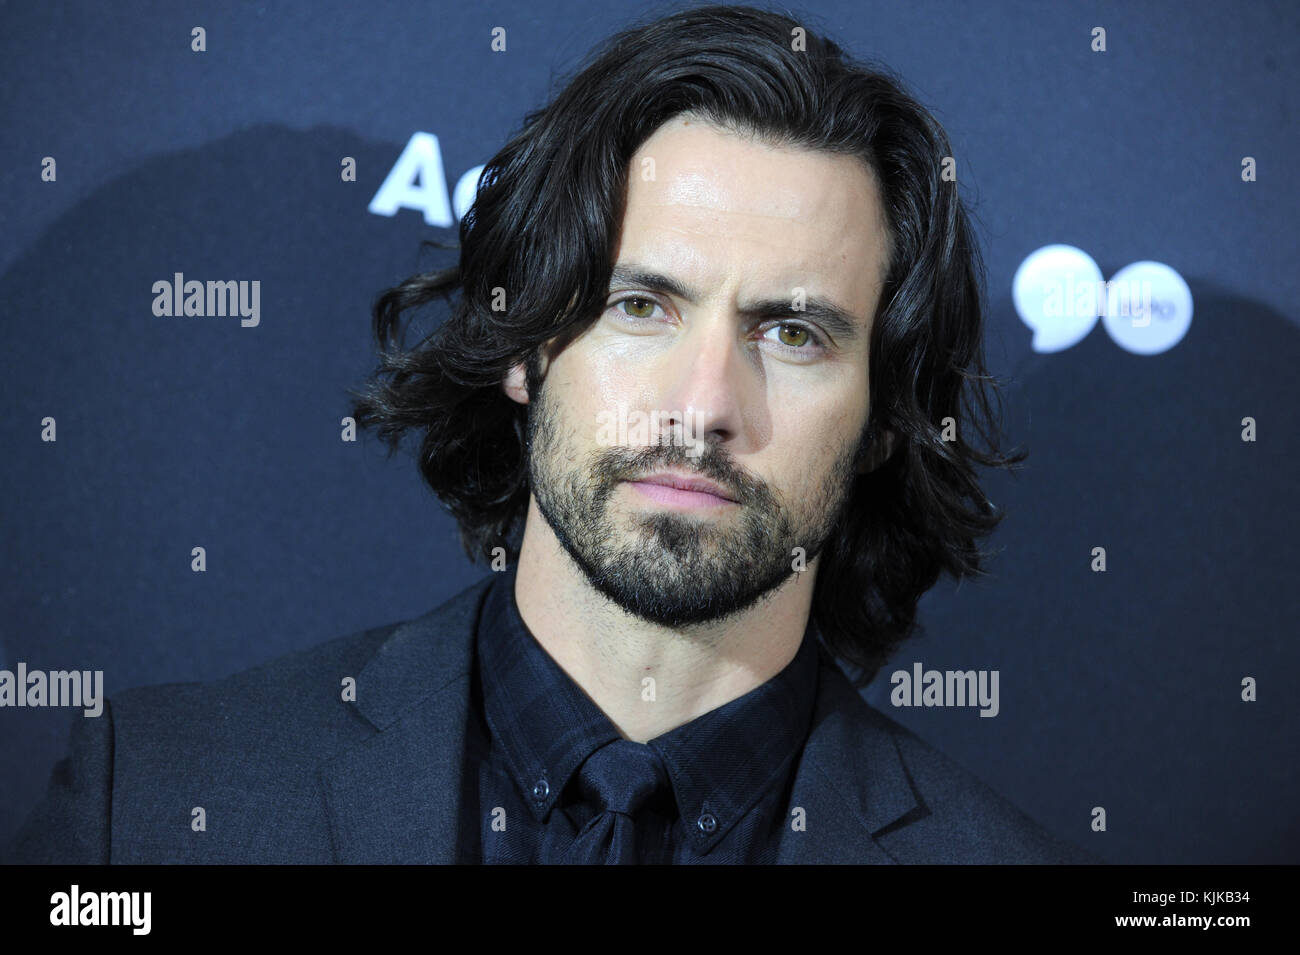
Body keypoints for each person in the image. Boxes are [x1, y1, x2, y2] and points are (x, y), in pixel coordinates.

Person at [5, 4, 1094, 865]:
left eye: (794, 331)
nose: (704, 401)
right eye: (639, 306)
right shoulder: (152, 803)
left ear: (882, 423)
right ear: (522, 344)